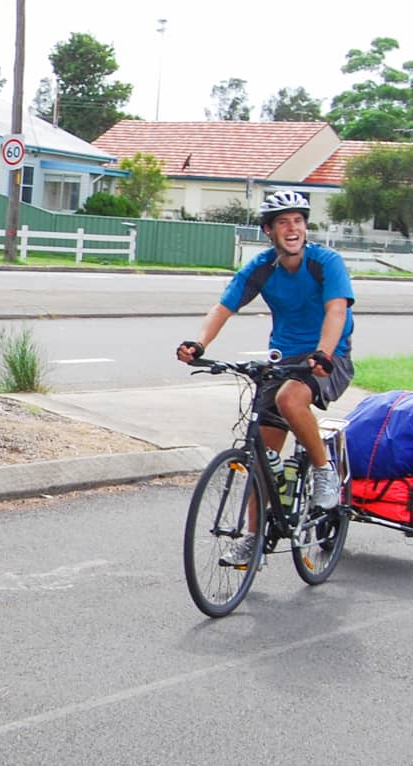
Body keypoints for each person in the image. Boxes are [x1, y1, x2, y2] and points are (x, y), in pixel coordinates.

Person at [176, 189, 355, 555]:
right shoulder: (260, 268)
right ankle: (254, 540)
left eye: (298, 221)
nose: (292, 228)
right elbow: (223, 307)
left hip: (327, 355)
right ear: (268, 231)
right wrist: (199, 345)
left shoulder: (326, 262)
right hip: (284, 359)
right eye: (283, 223)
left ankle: (323, 472)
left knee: (291, 398)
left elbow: (336, 311)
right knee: (262, 459)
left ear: (305, 228)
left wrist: (324, 353)